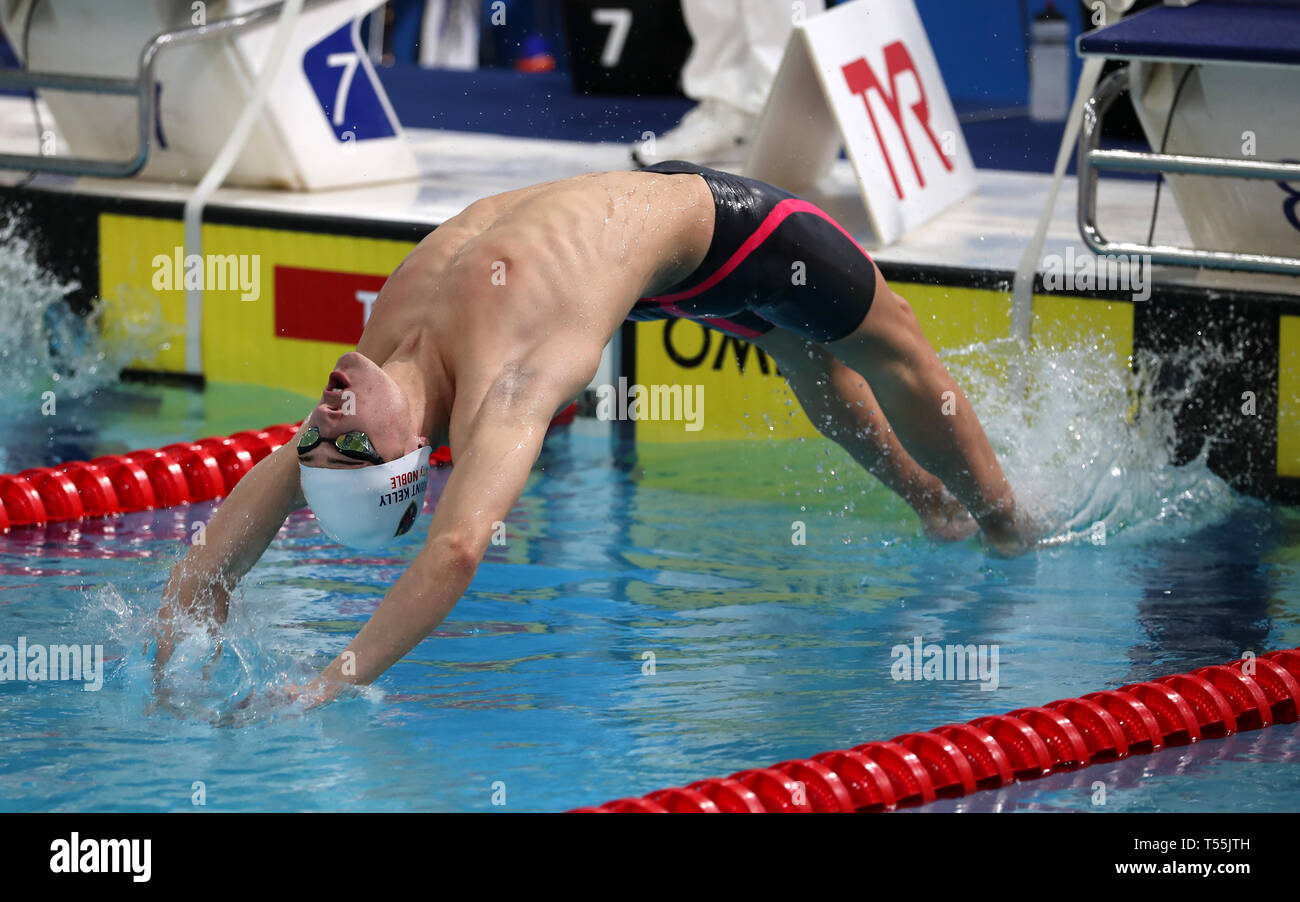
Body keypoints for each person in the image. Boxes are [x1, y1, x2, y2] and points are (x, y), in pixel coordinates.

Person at [155, 160, 1036, 707]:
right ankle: (1006, 524)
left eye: (320, 435)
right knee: (894, 352)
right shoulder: (507, 384)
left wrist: (194, 593)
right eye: (345, 445)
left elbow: (292, 467)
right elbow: (458, 546)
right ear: (406, 458)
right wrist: (333, 682)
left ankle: (949, 504)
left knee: (824, 369)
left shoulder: (380, 367)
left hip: (671, 218)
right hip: (731, 241)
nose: (326, 421)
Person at [632, 0, 826, 168]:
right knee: (715, 8)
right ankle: (727, 117)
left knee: (779, 10)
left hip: (795, 106)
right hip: (725, 107)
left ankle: (791, 120)